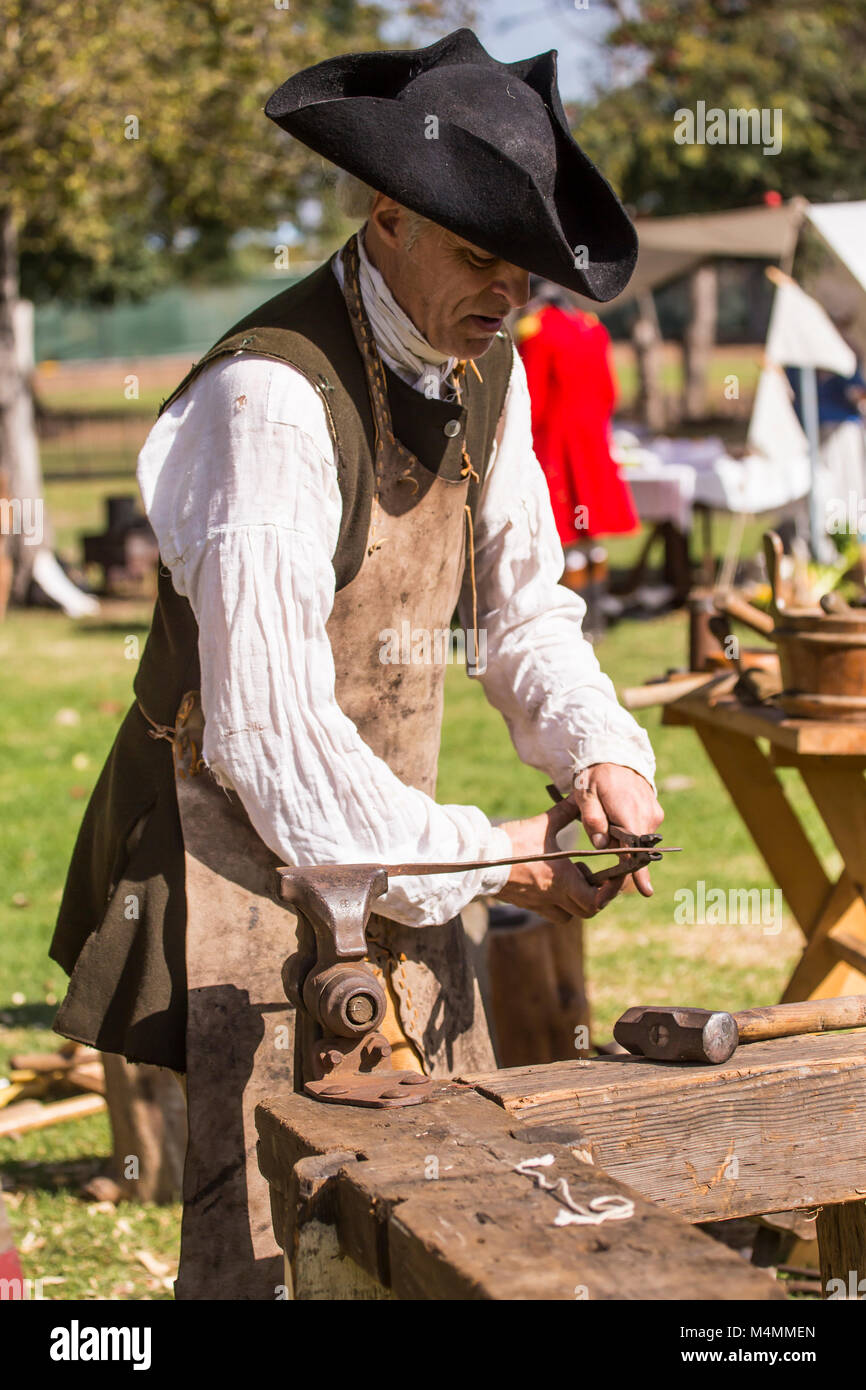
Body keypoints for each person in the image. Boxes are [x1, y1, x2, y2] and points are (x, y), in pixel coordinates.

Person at [49, 28, 662, 1298]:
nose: (507, 296)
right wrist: (491, 855)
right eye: (480, 256)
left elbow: (525, 608)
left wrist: (594, 750)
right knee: (265, 1237)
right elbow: (264, 733)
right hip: (238, 861)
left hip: (401, 848)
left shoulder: (487, 372)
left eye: (528, 273)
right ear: (386, 217)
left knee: (435, 1219)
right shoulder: (268, 399)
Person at [516, 280, 638, 600]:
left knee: (566, 531)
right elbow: (611, 393)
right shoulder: (592, 328)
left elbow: (532, 400)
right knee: (590, 533)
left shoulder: (537, 331)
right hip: (594, 438)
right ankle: (597, 613)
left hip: (555, 442)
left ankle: (579, 613)